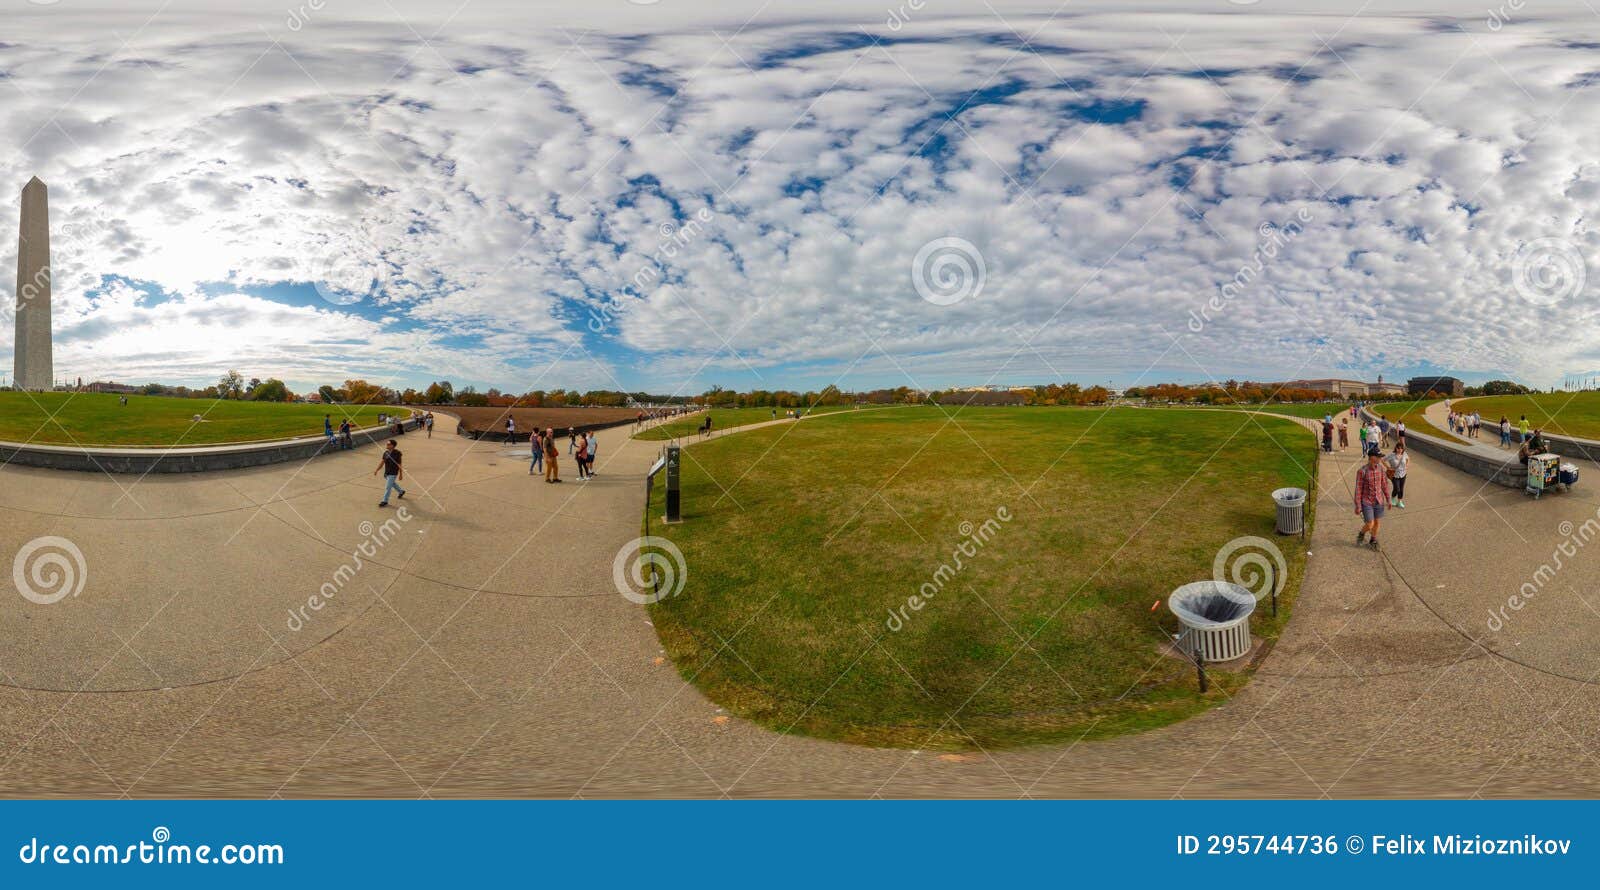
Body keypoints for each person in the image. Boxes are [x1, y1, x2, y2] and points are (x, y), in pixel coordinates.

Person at [1355, 449, 1391, 551]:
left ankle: (1373, 540)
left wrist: (1388, 499)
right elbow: (1358, 489)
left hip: (1379, 501)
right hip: (1367, 501)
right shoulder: (1362, 471)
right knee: (1370, 523)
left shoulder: (1380, 469)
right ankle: (1361, 534)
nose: (1380, 458)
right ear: (1371, 457)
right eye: (1378, 456)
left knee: (1377, 522)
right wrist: (1358, 505)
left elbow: (1384, 485)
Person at [374, 440, 406, 507]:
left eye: (388, 444)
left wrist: (401, 474)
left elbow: (399, 464)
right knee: (392, 483)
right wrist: (377, 470)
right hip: (387, 473)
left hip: (393, 473)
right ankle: (401, 491)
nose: (387, 445)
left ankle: (384, 501)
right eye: (387, 444)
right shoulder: (386, 453)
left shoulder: (397, 453)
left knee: (388, 487)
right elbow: (382, 462)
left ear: (392, 446)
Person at [1386, 442, 1409, 508]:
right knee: (1397, 488)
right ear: (1396, 448)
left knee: (1401, 489)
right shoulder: (1391, 455)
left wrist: (1407, 466)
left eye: (1401, 448)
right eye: (1398, 448)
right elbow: (1382, 460)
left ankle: (1399, 502)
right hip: (1394, 475)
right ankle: (1393, 498)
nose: (1400, 450)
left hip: (1403, 474)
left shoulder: (1404, 454)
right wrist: (1388, 467)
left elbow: (1408, 459)